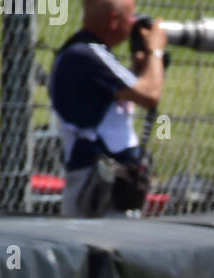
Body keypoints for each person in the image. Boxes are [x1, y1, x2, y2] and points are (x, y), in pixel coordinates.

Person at [49, 0, 166, 218]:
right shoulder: (87, 54)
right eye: (132, 16)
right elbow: (150, 94)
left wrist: (141, 61)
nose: (135, 22)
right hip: (98, 186)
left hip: (105, 183)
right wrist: (156, 51)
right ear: (114, 19)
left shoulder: (89, 53)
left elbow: (123, 95)